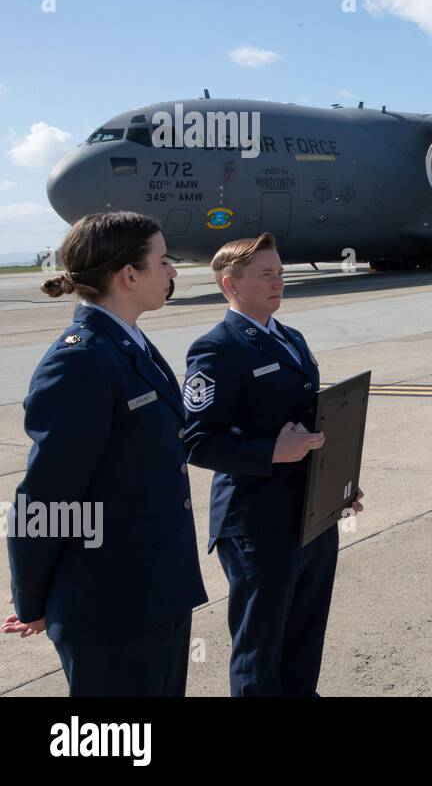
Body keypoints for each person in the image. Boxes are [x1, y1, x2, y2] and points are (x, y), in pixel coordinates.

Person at [4, 212, 207, 696]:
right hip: (111, 605)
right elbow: (47, 497)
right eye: (163, 261)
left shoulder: (128, 343)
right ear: (129, 274)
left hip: (157, 592)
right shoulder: (80, 359)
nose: (173, 272)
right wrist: (32, 599)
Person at [183, 232, 363, 696]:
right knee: (260, 649)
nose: (278, 282)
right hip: (257, 522)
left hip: (310, 513)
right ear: (231, 285)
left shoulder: (290, 337)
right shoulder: (217, 349)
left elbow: (312, 422)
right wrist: (270, 452)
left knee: (305, 637)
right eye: (266, 275)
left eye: (281, 273)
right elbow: (198, 442)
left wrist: (341, 481)